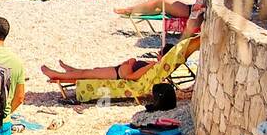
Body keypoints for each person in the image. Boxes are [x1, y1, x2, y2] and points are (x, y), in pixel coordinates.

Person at [40, 44, 175, 84]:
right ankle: (71, 70)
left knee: (87, 74)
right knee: (92, 71)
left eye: (159, 52)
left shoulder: (152, 65)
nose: (157, 54)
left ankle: (56, 74)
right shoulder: (154, 66)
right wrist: (131, 61)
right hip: (118, 71)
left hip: (118, 74)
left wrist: (130, 63)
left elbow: (132, 77)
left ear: (162, 56)